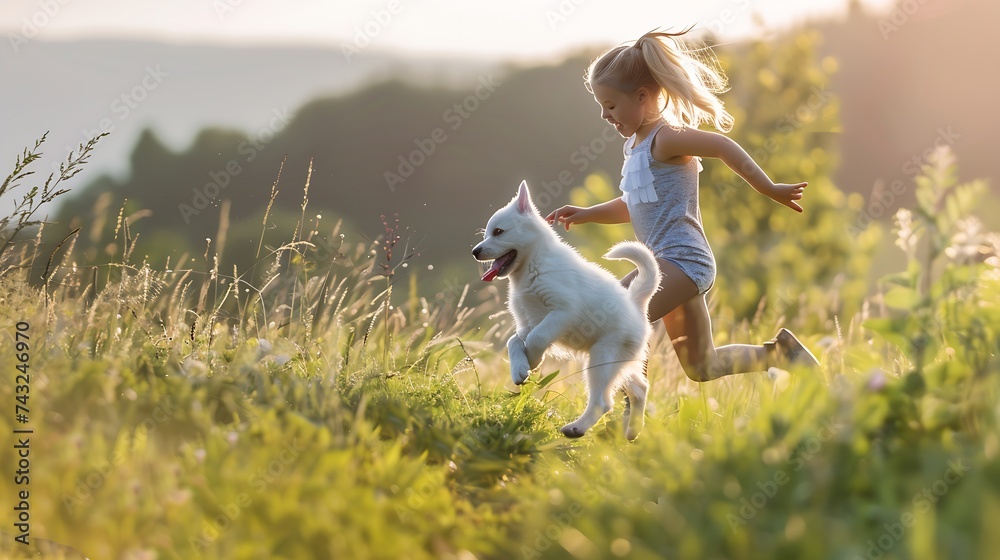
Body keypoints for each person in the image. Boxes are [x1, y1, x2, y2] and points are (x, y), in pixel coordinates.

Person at [545, 28, 819, 382]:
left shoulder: (667, 138)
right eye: (601, 107)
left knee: (620, 318)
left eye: (610, 106)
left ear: (642, 96)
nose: (604, 116)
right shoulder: (636, 147)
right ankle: (783, 354)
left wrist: (768, 187)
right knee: (702, 367)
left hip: (682, 261)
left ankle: (626, 413)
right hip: (668, 266)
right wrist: (588, 214)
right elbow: (635, 205)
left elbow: (722, 146)